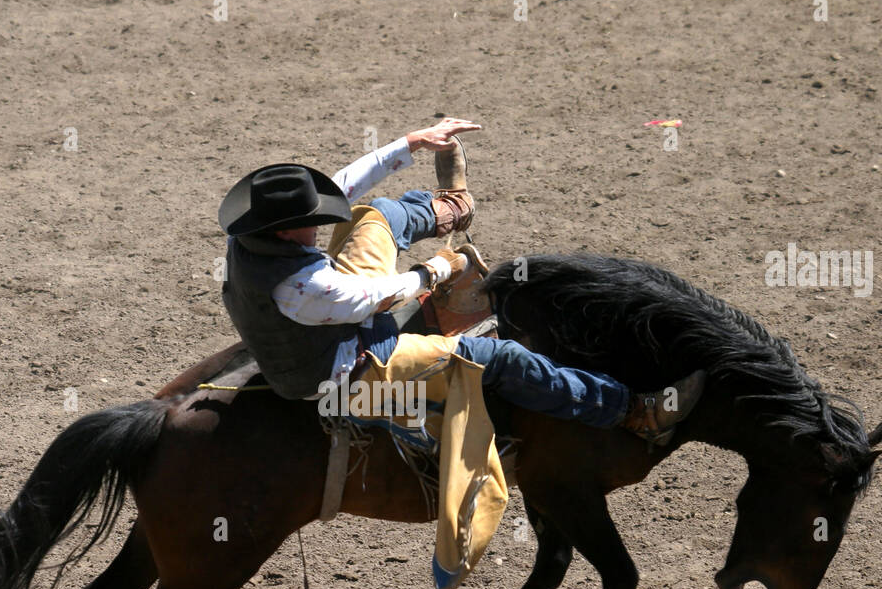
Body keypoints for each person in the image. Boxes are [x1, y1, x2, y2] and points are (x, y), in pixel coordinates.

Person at [218, 117, 705, 445]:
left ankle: (452, 206)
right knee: (498, 357)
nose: (321, 218)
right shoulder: (303, 287)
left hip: (327, 327)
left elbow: (339, 187)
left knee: (377, 215)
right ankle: (633, 412)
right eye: (311, 218)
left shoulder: (256, 239)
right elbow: (371, 299)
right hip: (344, 369)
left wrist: (410, 143)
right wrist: (436, 269)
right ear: (284, 229)